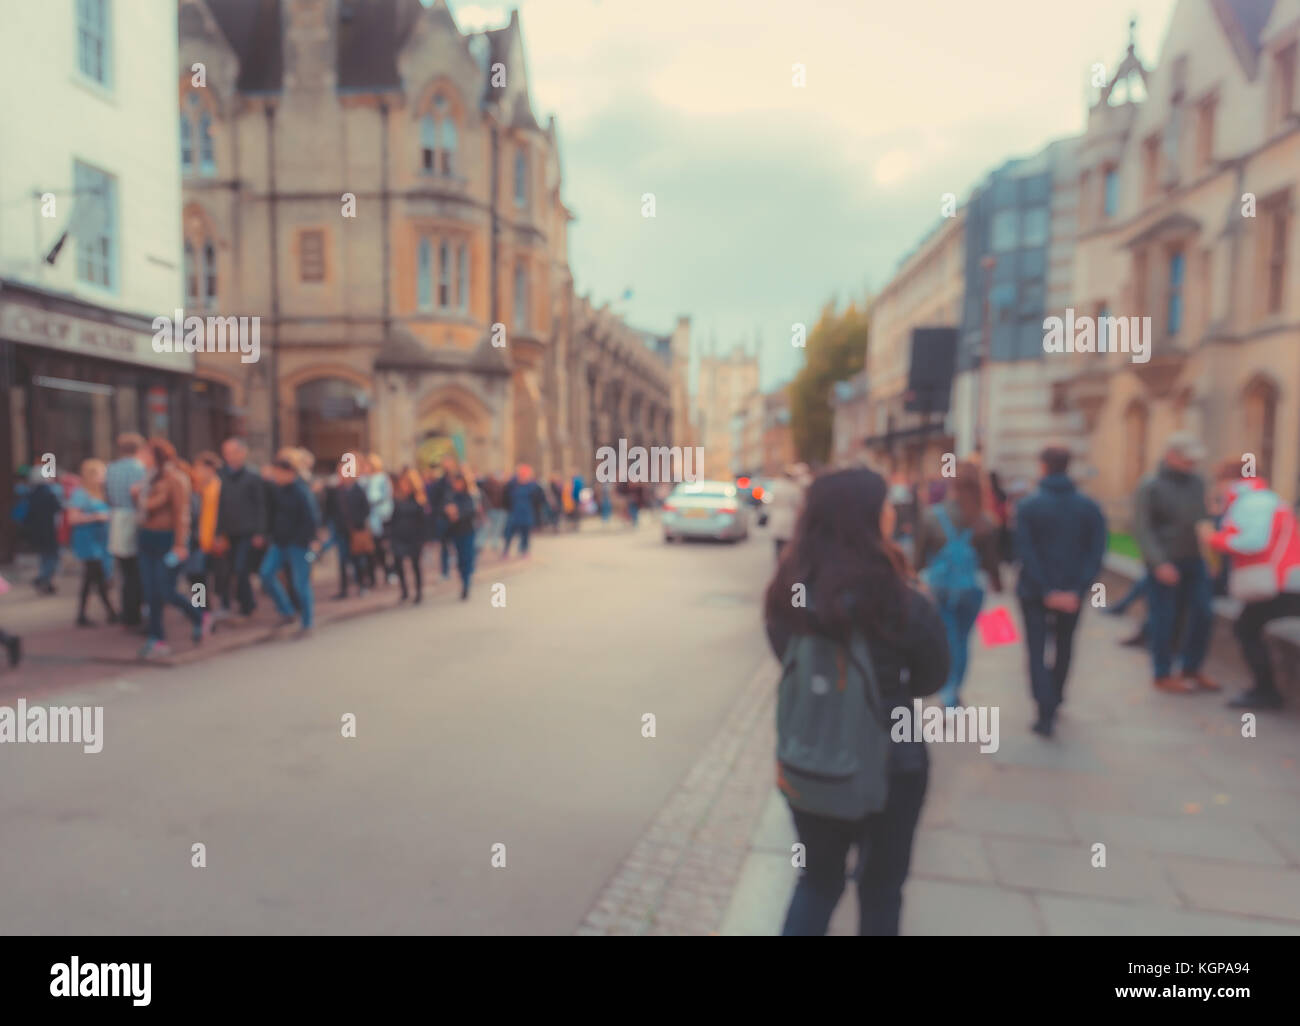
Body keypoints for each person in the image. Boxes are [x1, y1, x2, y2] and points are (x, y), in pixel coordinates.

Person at [764, 468, 949, 936]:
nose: (892, 512)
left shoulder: (786, 590)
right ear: (868, 516)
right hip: (893, 760)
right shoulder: (902, 597)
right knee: (882, 889)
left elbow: (787, 657)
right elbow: (933, 676)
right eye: (885, 504)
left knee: (817, 882)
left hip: (812, 756)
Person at [1014, 445, 1107, 736]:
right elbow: (1096, 553)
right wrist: (1075, 590)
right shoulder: (1090, 507)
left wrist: (1046, 589)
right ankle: (1055, 698)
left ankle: (1045, 709)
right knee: (1065, 646)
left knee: (1037, 649)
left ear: (1043, 466)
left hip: (1035, 591)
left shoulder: (1028, 506)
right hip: (1071, 592)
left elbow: (1025, 553)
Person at [1204, 463, 1300, 709]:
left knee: (1246, 628)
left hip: (1279, 581)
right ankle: (1264, 689)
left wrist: (1212, 539)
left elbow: (1254, 541)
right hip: (1284, 580)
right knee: (1247, 627)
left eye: (1219, 481)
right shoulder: (1260, 499)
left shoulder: (1252, 502)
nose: (1218, 488)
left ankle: (1266, 691)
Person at [914, 462, 1003, 707]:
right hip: (971, 589)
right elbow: (991, 563)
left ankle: (947, 692)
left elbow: (919, 559)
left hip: (940, 586)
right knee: (963, 640)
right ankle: (954, 692)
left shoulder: (933, 515)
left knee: (947, 638)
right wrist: (999, 585)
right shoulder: (985, 520)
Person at [1133, 433, 1217, 694]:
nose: (1192, 465)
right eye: (1187, 460)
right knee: (1165, 619)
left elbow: (1203, 519)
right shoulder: (1150, 485)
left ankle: (1191, 667)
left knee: (1204, 613)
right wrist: (1158, 563)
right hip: (1165, 561)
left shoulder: (1197, 483)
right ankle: (1162, 673)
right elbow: (1143, 528)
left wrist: (1211, 554)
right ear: (1171, 456)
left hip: (1194, 559)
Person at [135, 438, 203, 659]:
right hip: (147, 538)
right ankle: (157, 638)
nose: (141, 459)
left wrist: (180, 544)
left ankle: (197, 616)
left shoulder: (176, 478)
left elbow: (182, 513)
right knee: (150, 591)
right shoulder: (148, 478)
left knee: (166, 589)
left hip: (168, 539)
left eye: (145, 454)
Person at [259, 457, 321, 636]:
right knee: (266, 574)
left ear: (289, 473)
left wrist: (309, 539)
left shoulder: (301, 491)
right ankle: (286, 610)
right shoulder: (276, 490)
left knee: (300, 583)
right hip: (279, 542)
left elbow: (312, 518)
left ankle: (307, 622)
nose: (276, 476)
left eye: (278, 473)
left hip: (299, 544)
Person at [215, 438, 266, 619]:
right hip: (227, 532)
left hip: (247, 531)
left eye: (232, 452)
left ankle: (247, 605)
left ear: (242, 453)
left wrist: (260, 532)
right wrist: (217, 533)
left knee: (241, 568)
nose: (228, 456)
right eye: (226, 453)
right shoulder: (219, 475)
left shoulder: (253, 476)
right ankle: (227, 604)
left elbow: (261, 505)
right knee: (225, 570)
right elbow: (216, 507)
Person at [67, 458, 116, 627]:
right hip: (88, 542)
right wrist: (95, 517)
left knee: (91, 579)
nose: (104, 477)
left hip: (100, 542)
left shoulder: (102, 493)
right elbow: (72, 518)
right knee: (97, 577)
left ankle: (83, 615)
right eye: (102, 473)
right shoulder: (80, 493)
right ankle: (111, 612)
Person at [105, 433, 147, 626]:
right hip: (133, 517)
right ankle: (135, 612)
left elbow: (107, 494)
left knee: (124, 569)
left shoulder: (111, 469)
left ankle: (127, 612)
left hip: (116, 517)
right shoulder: (140, 469)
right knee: (136, 570)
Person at [325, 459, 371, 598]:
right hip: (341, 531)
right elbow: (330, 510)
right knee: (343, 560)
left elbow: (366, 509)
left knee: (358, 560)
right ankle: (344, 589)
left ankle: (362, 585)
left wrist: (357, 523)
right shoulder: (336, 491)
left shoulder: (358, 490)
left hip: (356, 531)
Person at [389, 469, 428, 603]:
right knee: (398, 563)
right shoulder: (398, 500)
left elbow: (423, 522)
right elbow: (393, 518)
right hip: (399, 536)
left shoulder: (419, 500)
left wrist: (422, 539)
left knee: (415, 565)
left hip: (414, 537)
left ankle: (418, 592)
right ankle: (404, 591)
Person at [25, 468, 63, 594]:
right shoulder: (49, 492)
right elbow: (57, 507)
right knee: (53, 556)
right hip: (49, 529)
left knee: (44, 556)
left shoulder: (32, 493)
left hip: (37, 531)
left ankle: (45, 580)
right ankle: (43, 579)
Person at [363, 453, 394, 588]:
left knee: (383, 548)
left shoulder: (382, 479)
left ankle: (389, 572)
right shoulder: (364, 480)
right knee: (371, 549)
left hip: (381, 517)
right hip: (369, 519)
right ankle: (372, 577)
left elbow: (385, 496)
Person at [445, 472, 478, 600]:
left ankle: (466, 582)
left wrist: (457, 514)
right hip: (456, 531)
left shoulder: (469, 496)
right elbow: (444, 510)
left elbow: (470, 511)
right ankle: (464, 579)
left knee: (467, 557)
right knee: (459, 559)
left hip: (467, 530)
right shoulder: (451, 496)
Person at [503, 463, 546, 557]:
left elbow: (540, 499)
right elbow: (506, 496)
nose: (522, 477)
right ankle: (506, 550)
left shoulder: (533, 486)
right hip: (514, 513)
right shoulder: (513, 485)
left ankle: (524, 550)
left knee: (525, 534)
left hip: (527, 513)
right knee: (509, 533)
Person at [768, 463, 809, 559]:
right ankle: (785, 561)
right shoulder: (793, 488)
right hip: (789, 517)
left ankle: (779, 561)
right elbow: (799, 503)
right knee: (787, 545)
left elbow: (770, 502)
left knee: (778, 544)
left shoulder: (775, 486)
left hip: (776, 517)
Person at [478, 471, 507, 553]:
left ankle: (494, 543)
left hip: (500, 509)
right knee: (486, 527)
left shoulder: (502, 486)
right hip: (490, 509)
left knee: (496, 528)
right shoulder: (486, 485)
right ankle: (480, 543)